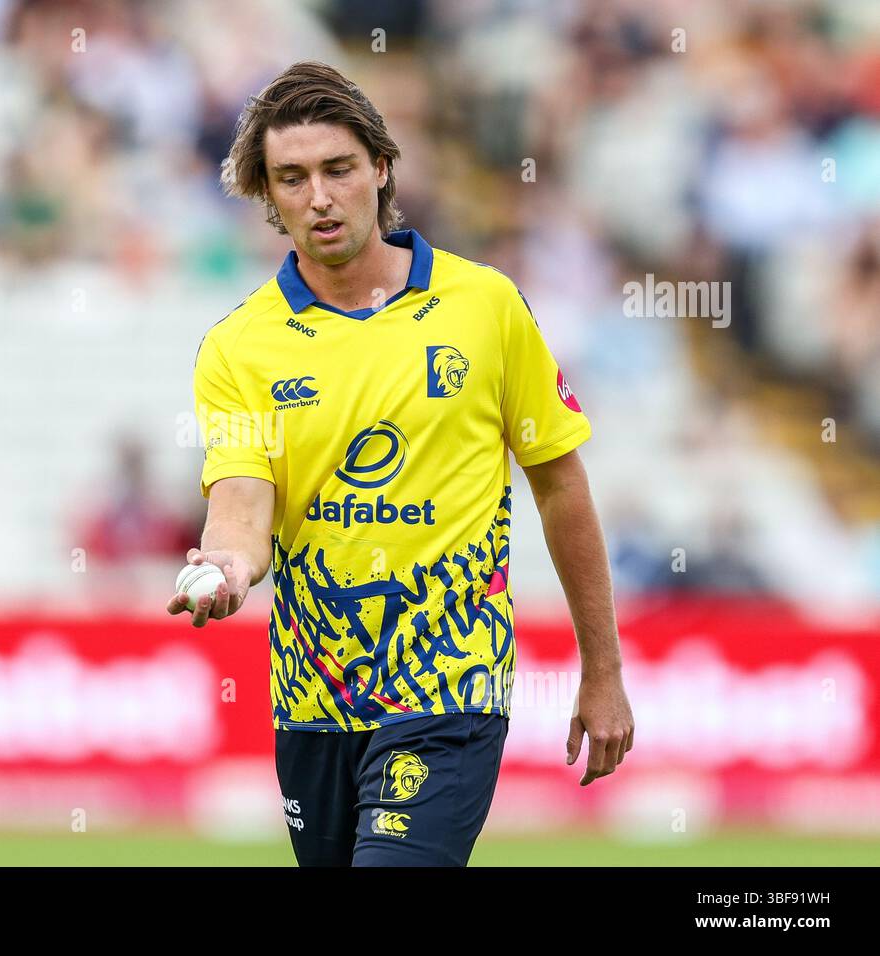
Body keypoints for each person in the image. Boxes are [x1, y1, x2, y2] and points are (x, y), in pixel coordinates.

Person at [166, 61, 634, 867]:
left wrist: (603, 670)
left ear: (381, 170)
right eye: (292, 178)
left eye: (338, 169)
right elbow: (242, 505)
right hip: (313, 698)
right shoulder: (237, 346)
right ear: (267, 195)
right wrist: (231, 566)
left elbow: (560, 487)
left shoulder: (486, 306)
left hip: (452, 685)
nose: (319, 197)